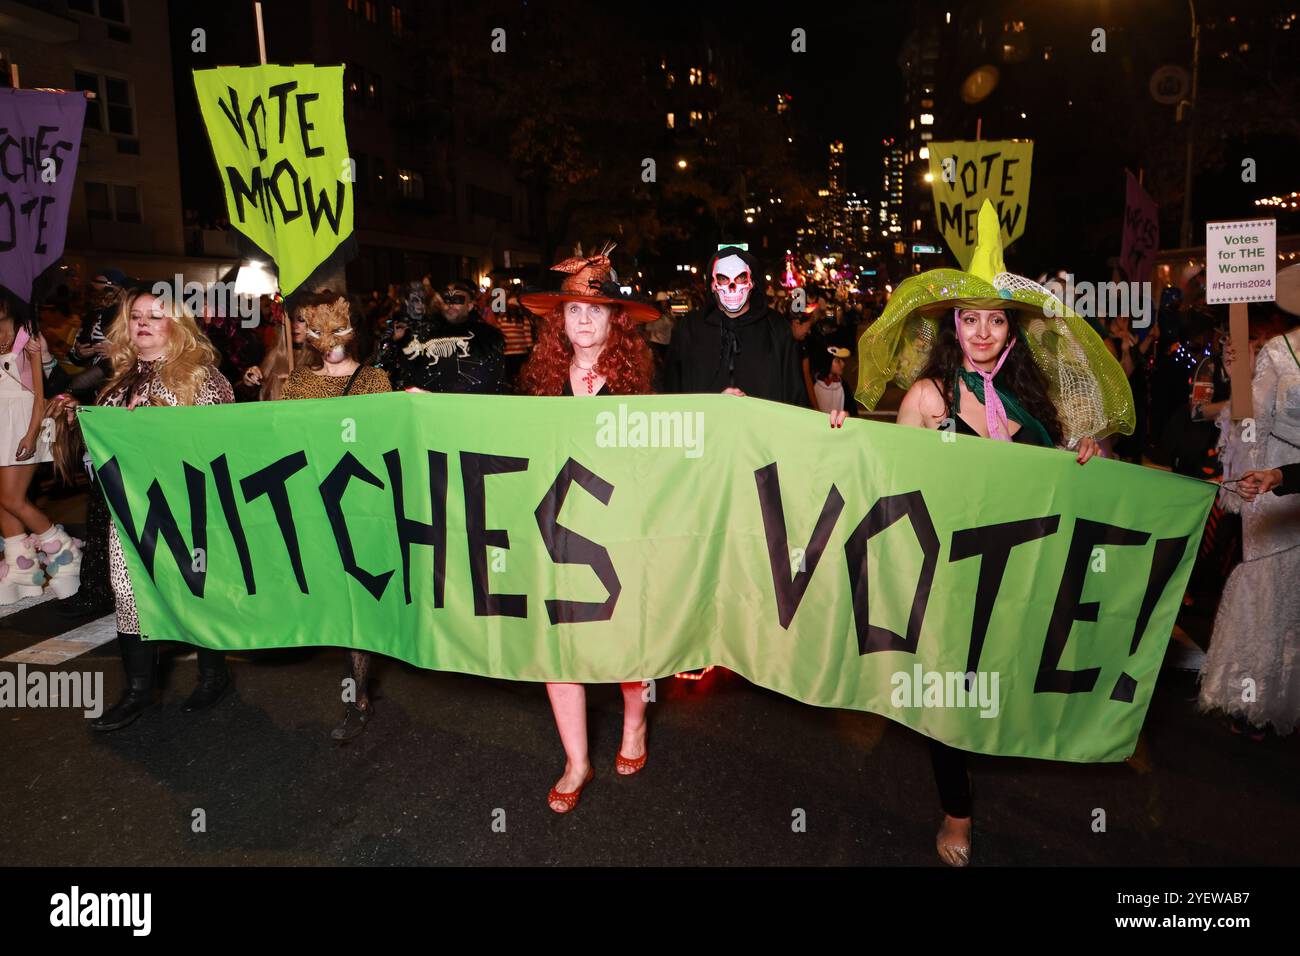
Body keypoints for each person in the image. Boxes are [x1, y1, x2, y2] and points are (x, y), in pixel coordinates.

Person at [847, 201, 1131, 866]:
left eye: (994, 319)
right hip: (947, 575)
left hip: (1019, 570)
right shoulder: (926, 398)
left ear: (1011, 329)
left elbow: (1068, 478)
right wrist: (843, 441)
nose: (980, 331)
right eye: (969, 319)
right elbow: (888, 484)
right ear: (954, 325)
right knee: (947, 698)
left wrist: (1085, 453)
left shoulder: (1036, 402)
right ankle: (957, 814)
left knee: (997, 684)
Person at [48, 288, 235, 731]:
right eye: (136, 316)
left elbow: (220, 444)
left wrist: (156, 425)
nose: (144, 322)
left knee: (194, 590)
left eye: (156, 315)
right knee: (129, 593)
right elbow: (106, 450)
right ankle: (138, 692)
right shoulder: (119, 379)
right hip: (128, 510)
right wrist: (79, 420)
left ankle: (213, 674)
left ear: (178, 325)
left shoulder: (201, 377)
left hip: (187, 508)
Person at [518, 244, 657, 813]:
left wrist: (722, 410)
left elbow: (667, 451)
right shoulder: (538, 379)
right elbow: (501, 437)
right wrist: (428, 409)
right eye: (573, 310)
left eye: (594, 310)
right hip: (557, 533)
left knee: (627, 641)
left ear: (612, 319)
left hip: (622, 529)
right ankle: (576, 760)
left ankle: (634, 727)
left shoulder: (637, 381)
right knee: (559, 647)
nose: (582, 319)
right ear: (560, 321)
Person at [269, 290, 393, 741]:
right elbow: (285, 442)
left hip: (362, 504)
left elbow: (387, 440)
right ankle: (356, 690)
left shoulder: (376, 379)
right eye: (317, 328)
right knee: (338, 600)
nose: (330, 339)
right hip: (316, 501)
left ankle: (358, 698)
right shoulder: (298, 383)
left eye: (338, 327)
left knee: (360, 598)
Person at [1198, 267, 1300, 741]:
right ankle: (1250, 699)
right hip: (1273, 480)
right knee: (1268, 592)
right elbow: (1247, 419)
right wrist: (1239, 372)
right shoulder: (1277, 352)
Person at [0, 290, 82, 606]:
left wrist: (32, 434)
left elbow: (39, 392)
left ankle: (65, 554)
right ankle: (23, 569)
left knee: (12, 498)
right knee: (2, 500)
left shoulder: (29, 335)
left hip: (24, 421)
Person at [662, 245, 807, 405]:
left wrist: (831, 425)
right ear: (712, 284)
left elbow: (796, 397)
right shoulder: (688, 330)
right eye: (723, 279)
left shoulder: (777, 329)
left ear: (752, 282)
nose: (732, 287)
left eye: (740, 278)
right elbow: (670, 396)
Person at [377, 279, 506, 393]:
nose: (450, 304)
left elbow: (496, 378)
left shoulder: (487, 338)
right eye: (447, 300)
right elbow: (399, 369)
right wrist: (394, 342)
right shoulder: (424, 333)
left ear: (470, 305)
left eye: (457, 300)